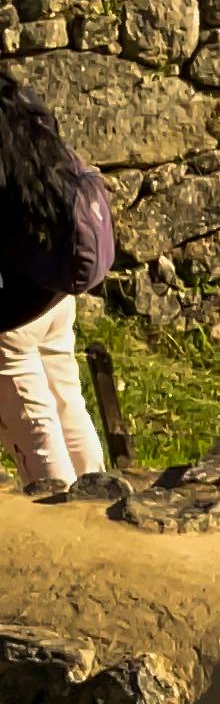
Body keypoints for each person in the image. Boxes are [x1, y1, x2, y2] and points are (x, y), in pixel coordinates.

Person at [0, 71, 112, 495]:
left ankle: (64, 522)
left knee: (37, 430)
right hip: (55, 291)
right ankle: (108, 508)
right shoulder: (24, 110)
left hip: (13, 316)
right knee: (69, 408)